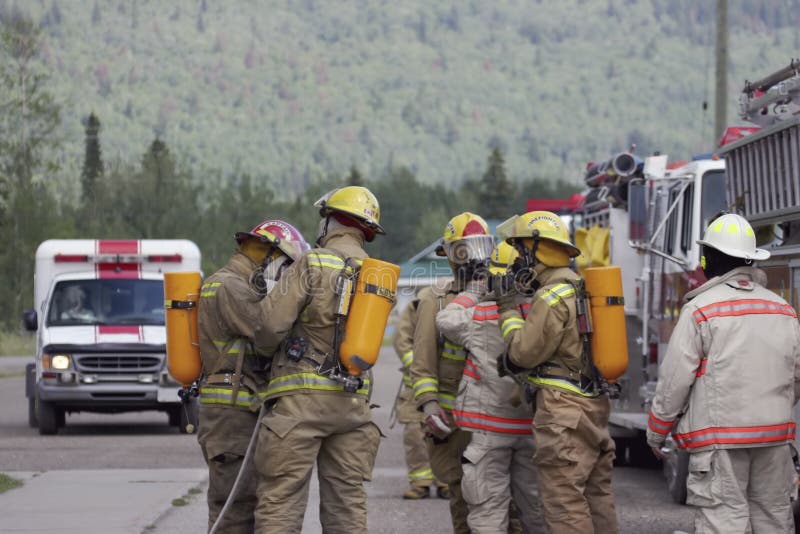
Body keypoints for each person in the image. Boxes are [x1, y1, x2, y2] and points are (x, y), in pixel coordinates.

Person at [646, 213, 800, 533]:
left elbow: (675, 381)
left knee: (723, 520)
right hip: (774, 440)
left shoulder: (701, 309)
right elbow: (795, 376)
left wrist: (657, 432)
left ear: (710, 258)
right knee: (773, 518)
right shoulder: (783, 310)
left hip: (719, 443)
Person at [252, 185, 385, 533]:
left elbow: (269, 326)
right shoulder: (377, 274)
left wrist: (264, 353)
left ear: (331, 221)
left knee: (281, 504)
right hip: (353, 408)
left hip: (301, 404)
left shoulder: (312, 261)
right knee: (347, 507)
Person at [495, 210, 619, 534]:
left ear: (538, 249)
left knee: (564, 502)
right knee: (597, 498)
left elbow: (522, 353)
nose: (518, 260)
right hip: (593, 409)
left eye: (521, 250)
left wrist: (507, 310)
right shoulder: (580, 286)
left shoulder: (551, 297)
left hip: (563, 415)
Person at [197, 219, 309, 533]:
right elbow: (265, 331)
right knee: (234, 510)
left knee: (246, 503)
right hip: (232, 414)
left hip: (239, 409)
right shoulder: (232, 287)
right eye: (285, 266)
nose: (285, 275)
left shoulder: (238, 284)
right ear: (269, 255)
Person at [436, 241, 545, 534]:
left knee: (488, 509)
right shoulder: (543, 312)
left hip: (489, 428)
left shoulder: (480, 315)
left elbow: (445, 320)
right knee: (536, 508)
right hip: (532, 427)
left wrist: (474, 290)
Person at [409, 211, 495, 534]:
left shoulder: (499, 293)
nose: (474, 258)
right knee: (462, 497)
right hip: (455, 421)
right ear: (449, 255)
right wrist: (429, 404)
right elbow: (423, 360)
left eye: (480, 248)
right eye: (464, 250)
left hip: (495, 415)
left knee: (505, 498)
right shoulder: (435, 299)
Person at [392, 288, 449, 500]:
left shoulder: (450, 307)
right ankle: (420, 482)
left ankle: (445, 482)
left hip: (444, 388)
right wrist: (419, 366)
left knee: (445, 435)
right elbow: (401, 341)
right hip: (414, 390)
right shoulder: (413, 308)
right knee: (415, 436)